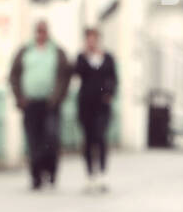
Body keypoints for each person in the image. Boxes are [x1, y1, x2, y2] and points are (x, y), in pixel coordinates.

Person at [8, 20, 72, 189]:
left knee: (51, 137)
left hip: (51, 104)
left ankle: (51, 170)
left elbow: (66, 75)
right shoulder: (25, 51)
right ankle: (36, 175)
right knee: (33, 140)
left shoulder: (57, 51)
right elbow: (14, 75)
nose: (41, 34)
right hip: (30, 103)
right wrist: (19, 97)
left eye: (44, 31)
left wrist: (58, 96)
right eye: (38, 31)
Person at [72, 27, 118, 192]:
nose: (91, 42)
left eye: (94, 38)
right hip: (86, 105)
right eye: (88, 39)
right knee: (88, 139)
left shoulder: (107, 58)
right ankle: (90, 175)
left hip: (102, 105)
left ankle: (103, 173)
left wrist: (110, 93)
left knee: (100, 137)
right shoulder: (81, 57)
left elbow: (114, 78)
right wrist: (84, 56)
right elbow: (76, 73)